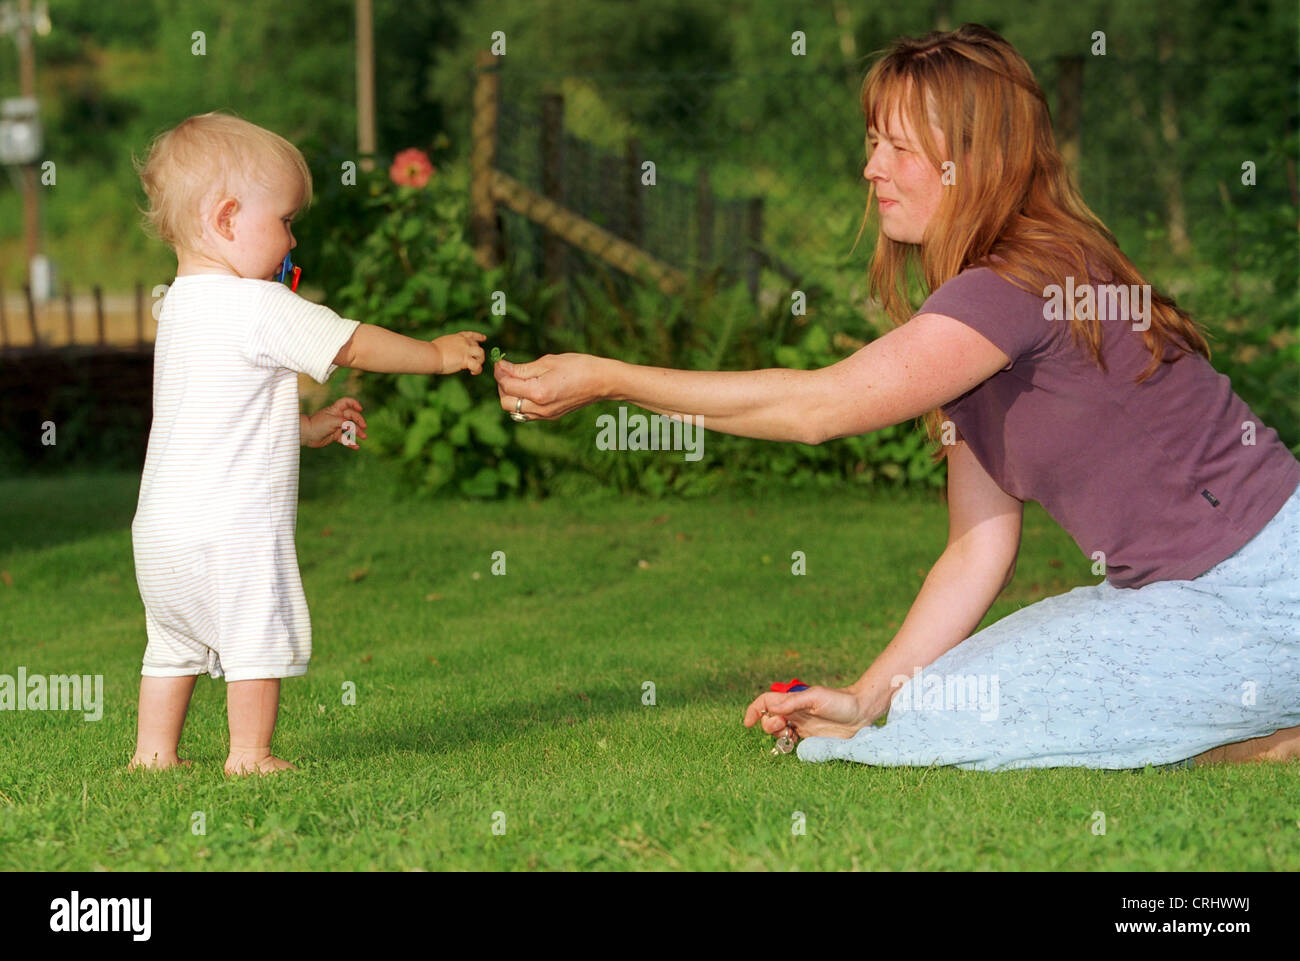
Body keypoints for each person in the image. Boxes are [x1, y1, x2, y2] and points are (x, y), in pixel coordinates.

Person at [492, 24, 1300, 770]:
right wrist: (864, 698)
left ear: (973, 160)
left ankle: (1251, 737)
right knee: (926, 707)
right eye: (872, 142)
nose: (871, 167)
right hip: (1175, 596)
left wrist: (608, 378)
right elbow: (976, 546)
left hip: (1263, 589)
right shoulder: (989, 302)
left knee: (957, 725)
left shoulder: (1018, 282)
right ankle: (1226, 730)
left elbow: (819, 408)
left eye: (897, 146)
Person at [130, 112, 486, 774]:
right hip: (230, 534)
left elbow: (214, 414)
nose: (293, 238)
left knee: (171, 641)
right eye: (286, 220)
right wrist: (435, 355)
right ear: (229, 218)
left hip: (159, 535)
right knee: (254, 631)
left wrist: (304, 429)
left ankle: (153, 753)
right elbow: (349, 339)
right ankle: (250, 752)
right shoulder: (257, 303)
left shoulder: (177, 306)